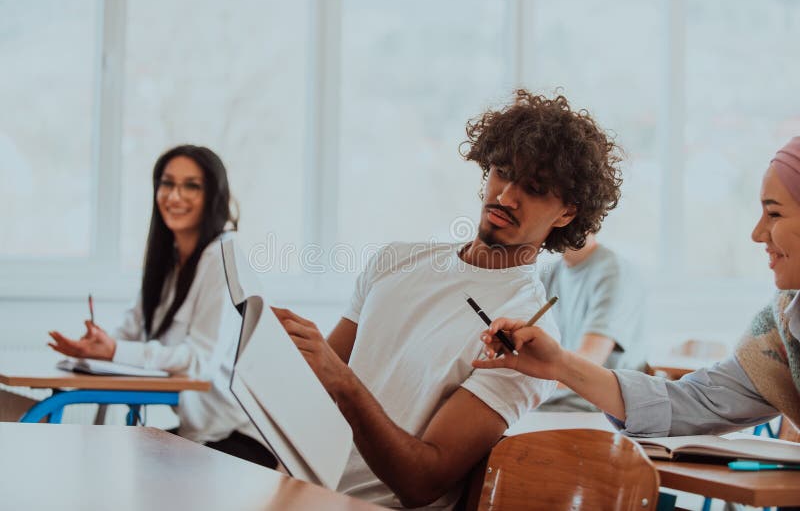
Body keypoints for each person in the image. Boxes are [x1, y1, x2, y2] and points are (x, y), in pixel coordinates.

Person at [272, 90, 624, 509]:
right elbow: (310, 393)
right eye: (502, 172)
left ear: (567, 213)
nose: (506, 196)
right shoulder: (396, 260)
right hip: (296, 494)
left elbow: (422, 481)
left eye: (534, 188)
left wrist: (343, 381)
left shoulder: (528, 340)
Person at [474, 136, 800, 438]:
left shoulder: (612, 273)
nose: (757, 234)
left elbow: (596, 355)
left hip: (580, 412)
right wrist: (558, 363)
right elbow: (698, 403)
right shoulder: (781, 322)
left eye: (774, 213)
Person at [47, 145, 276, 468]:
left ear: (214, 195)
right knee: (107, 461)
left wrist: (114, 351)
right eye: (167, 183)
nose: (174, 196)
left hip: (241, 438)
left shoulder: (223, 256)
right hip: (198, 433)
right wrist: (95, 345)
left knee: (123, 468)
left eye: (191, 186)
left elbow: (199, 361)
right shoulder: (169, 264)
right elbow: (131, 330)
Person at [538, 232, 647, 412]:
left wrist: (527, 376)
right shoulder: (550, 273)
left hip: (591, 408)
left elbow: (590, 361)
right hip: (550, 401)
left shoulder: (614, 273)